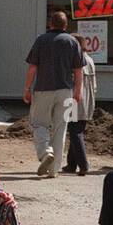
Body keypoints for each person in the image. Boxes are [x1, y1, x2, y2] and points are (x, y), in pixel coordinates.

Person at [24, 11, 85, 178]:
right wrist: (78, 92)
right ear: (65, 26)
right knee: (60, 128)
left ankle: (45, 153)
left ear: (50, 24)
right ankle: (54, 170)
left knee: (38, 123)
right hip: (66, 91)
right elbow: (79, 70)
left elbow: (32, 68)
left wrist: (27, 89)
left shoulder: (41, 40)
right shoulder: (73, 42)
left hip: (43, 89)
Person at [65, 33, 97, 176]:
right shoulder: (89, 60)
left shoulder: (75, 60)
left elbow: (72, 81)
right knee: (77, 130)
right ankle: (71, 164)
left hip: (75, 100)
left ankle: (83, 164)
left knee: (75, 132)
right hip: (88, 101)